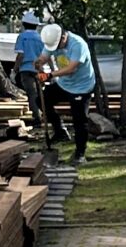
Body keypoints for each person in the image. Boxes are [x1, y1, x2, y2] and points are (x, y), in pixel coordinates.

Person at [36, 16, 96, 161]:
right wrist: (38, 63)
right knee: (42, 100)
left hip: (82, 87)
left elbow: (71, 68)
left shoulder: (78, 45)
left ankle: (80, 153)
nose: (55, 50)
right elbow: (44, 57)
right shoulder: (52, 41)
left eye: (57, 47)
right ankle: (60, 130)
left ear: (63, 37)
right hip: (65, 84)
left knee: (79, 120)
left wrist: (49, 75)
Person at [14, 11, 45, 128]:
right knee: (41, 93)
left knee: (32, 94)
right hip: (39, 69)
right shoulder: (40, 38)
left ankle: (37, 118)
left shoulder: (22, 37)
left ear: (24, 24)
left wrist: (15, 70)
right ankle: (44, 117)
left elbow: (20, 56)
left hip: (26, 70)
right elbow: (46, 55)